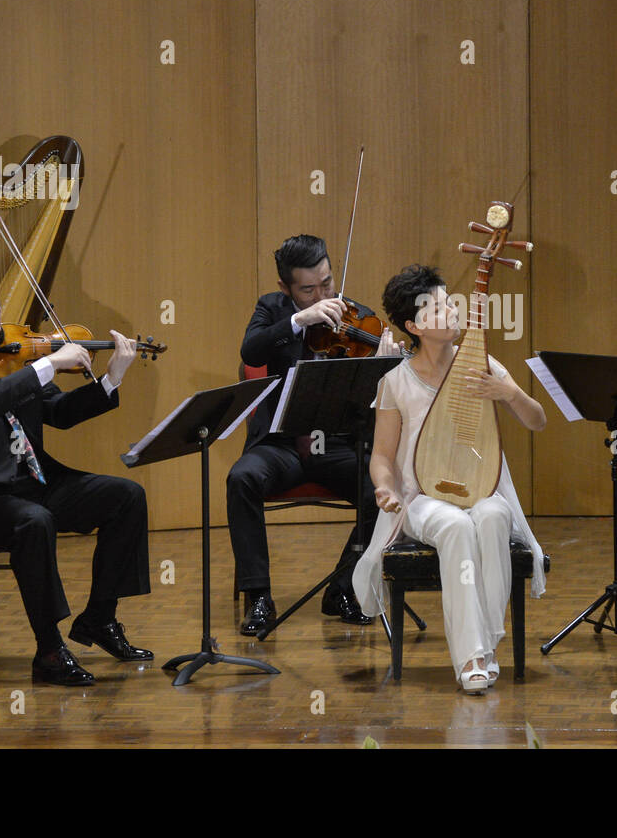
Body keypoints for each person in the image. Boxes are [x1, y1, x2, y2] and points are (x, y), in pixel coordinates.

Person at [0, 267, 151, 686]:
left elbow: (59, 413)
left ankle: (99, 619)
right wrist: (50, 363)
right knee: (34, 522)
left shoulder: (10, 356)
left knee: (125, 496)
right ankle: (50, 650)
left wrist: (113, 376)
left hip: (30, 482)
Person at [354, 265, 546, 692]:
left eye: (450, 302)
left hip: (481, 487)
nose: (452, 312)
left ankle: (487, 643)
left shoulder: (482, 365)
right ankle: (472, 657)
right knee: (457, 525)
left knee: (494, 517)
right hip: (421, 498)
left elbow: (538, 420)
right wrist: (384, 488)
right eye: (438, 307)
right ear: (414, 325)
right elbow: (383, 456)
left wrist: (509, 393)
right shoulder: (395, 383)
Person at [226, 234, 398, 635]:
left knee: (388, 490)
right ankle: (259, 598)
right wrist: (299, 320)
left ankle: (341, 588)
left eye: (327, 283)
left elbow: (379, 399)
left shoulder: (358, 318)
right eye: (308, 289)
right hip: (280, 446)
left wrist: (387, 368)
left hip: (335, 445)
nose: (323, 295)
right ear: (286, 287)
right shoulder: (272, 309)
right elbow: (252, 351)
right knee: (241, 479)